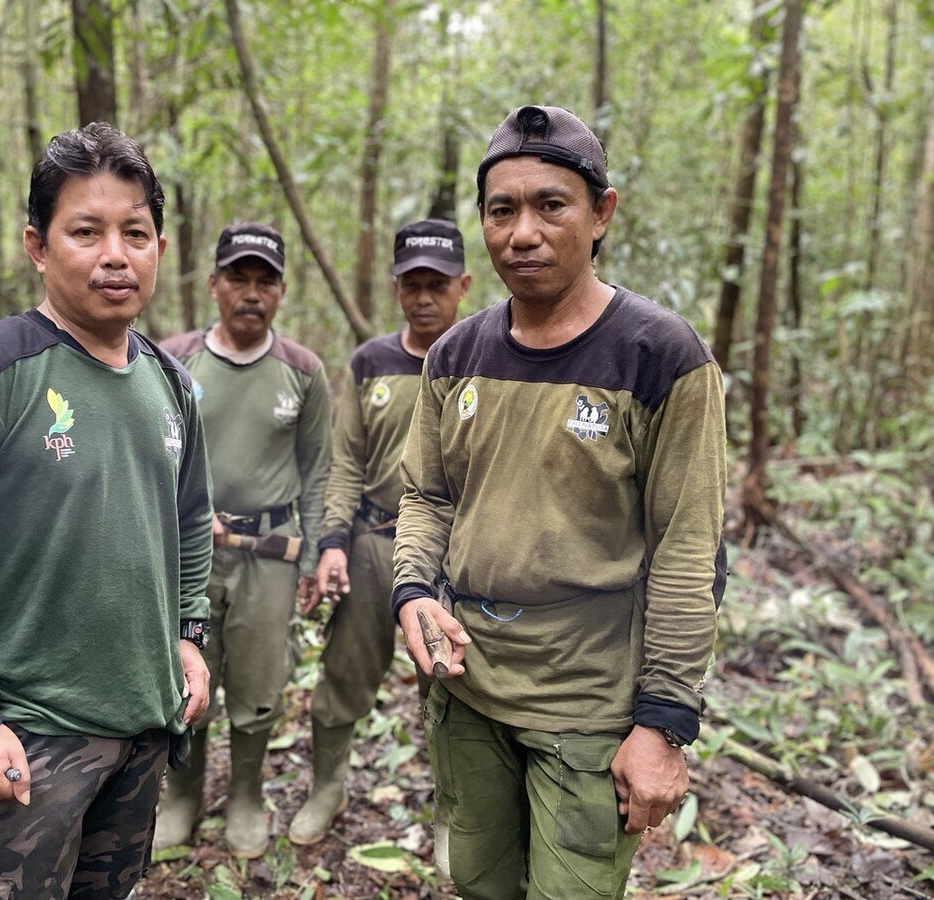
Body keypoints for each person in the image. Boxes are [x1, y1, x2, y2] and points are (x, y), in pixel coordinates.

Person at [0, 122, 214, 900]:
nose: (115, 255)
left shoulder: (172, 385)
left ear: (161, 245)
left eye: (136, 232)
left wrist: (189, 636)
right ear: (38, 245)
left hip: (141, 725)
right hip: (23, 734)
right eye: (85, 232)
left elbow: (189, 521)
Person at [392, 105, 727, 899]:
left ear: (601, 212)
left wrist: (664, 723)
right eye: (502, 210)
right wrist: (411, 591)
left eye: (552, 204)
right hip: (468, 687)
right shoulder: (456, 353)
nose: (523, 232)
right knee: (477, 878)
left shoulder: (661, 357)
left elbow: (689, 549)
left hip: (588, 705)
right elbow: (427, 495)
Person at [288, 219, 471, 862]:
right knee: (346, 669)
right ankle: (329, 786)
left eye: (438, 285)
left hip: (454, 553)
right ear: (397, 288)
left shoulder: (484, 355)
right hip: (375, 540)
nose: (425, 297)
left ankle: (453, 812)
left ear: (463, 286)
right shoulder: (371, 363)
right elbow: (346, 462)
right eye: (413, 284)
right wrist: (333, 541)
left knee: (448, 684)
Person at [156, 223, 332, 858]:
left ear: (282, 291)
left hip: (270, 553)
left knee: (259, 683)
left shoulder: (304, 373)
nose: (251, 292)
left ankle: (248, 794)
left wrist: (313, 556)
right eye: (238, 278)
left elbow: (318, 471)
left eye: (265, 280)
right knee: (187, 674)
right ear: (213, 285)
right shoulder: (172, 361)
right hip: (189, 551)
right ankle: (182, 794)